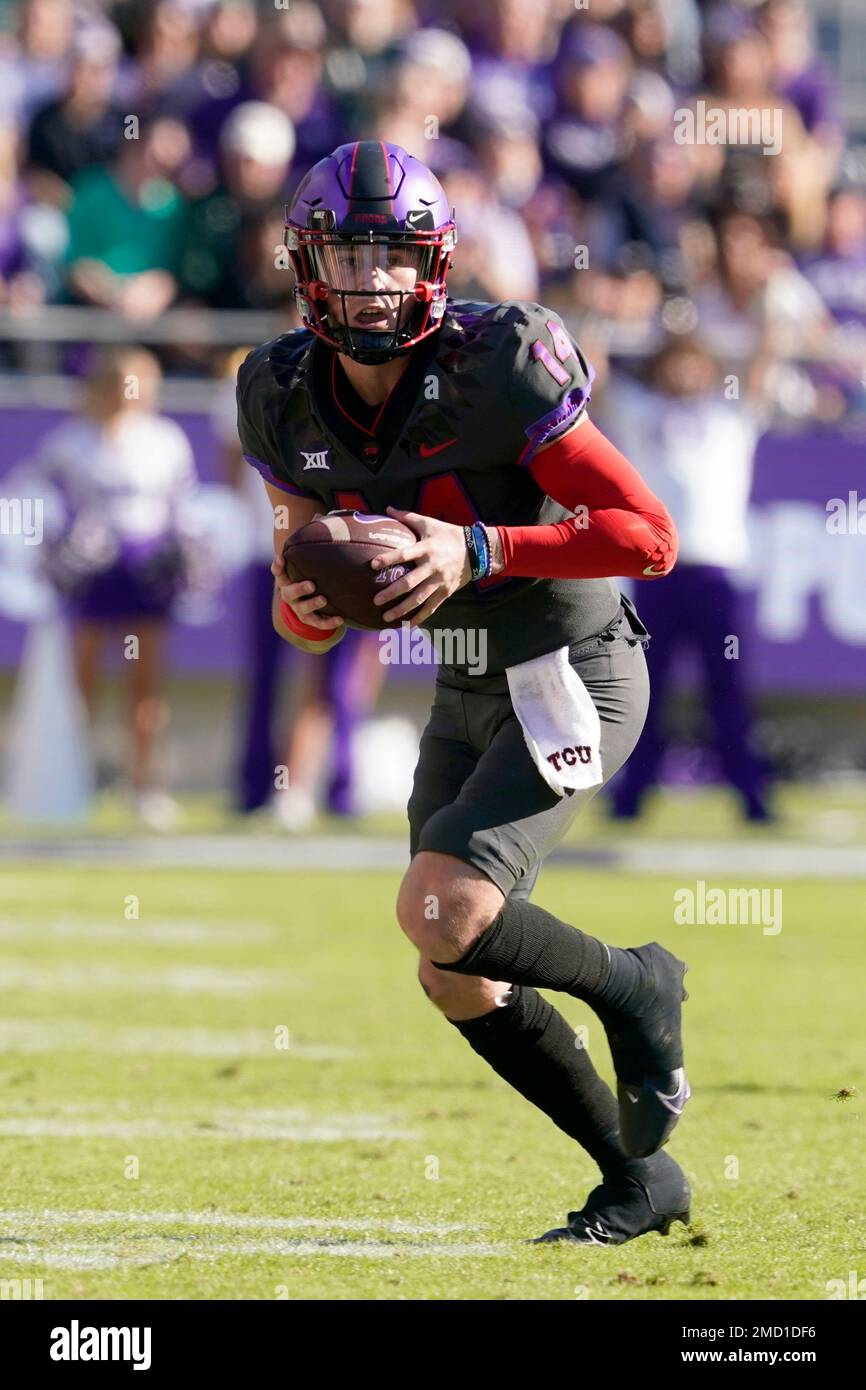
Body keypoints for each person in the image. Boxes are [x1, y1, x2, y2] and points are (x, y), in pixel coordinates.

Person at [237, 139, 690, 1246]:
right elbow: (296, 604)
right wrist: (314, 594)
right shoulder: (279, 393)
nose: (370, 281)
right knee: (451, 968)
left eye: (391, 255)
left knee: (442, 907)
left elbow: (646, 537)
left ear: (434, 263)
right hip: (466, 681)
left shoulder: (504, 361)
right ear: (306, 266)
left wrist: (480, 547)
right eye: (347, 254)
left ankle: (636, 985)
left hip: (573, 665)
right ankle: (637, 1182)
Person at [31, 345, 196, 828]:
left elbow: (180, 507)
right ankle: (71, 780)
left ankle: (143, 784)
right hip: (92, 572)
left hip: (146, 570)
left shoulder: (164, 438)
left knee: (146, 683)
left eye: (143, 383)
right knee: (80, 679)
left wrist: (184, 559)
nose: (133, 393)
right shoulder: (70, 442)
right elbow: (42, 503)